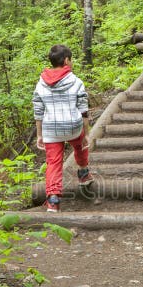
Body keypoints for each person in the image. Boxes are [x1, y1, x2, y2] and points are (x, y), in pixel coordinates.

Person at [33, 44, 95, 212]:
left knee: (53, 162)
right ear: (66, 60)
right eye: (71, 59)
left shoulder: (41, 84)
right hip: (73, 126)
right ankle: (83, 174)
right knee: (80, 145)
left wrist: (40, 134)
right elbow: (83, 111)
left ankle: (53, 199)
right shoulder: (76, 81)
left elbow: (38, 112)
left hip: (51, 129)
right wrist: (86, 134)